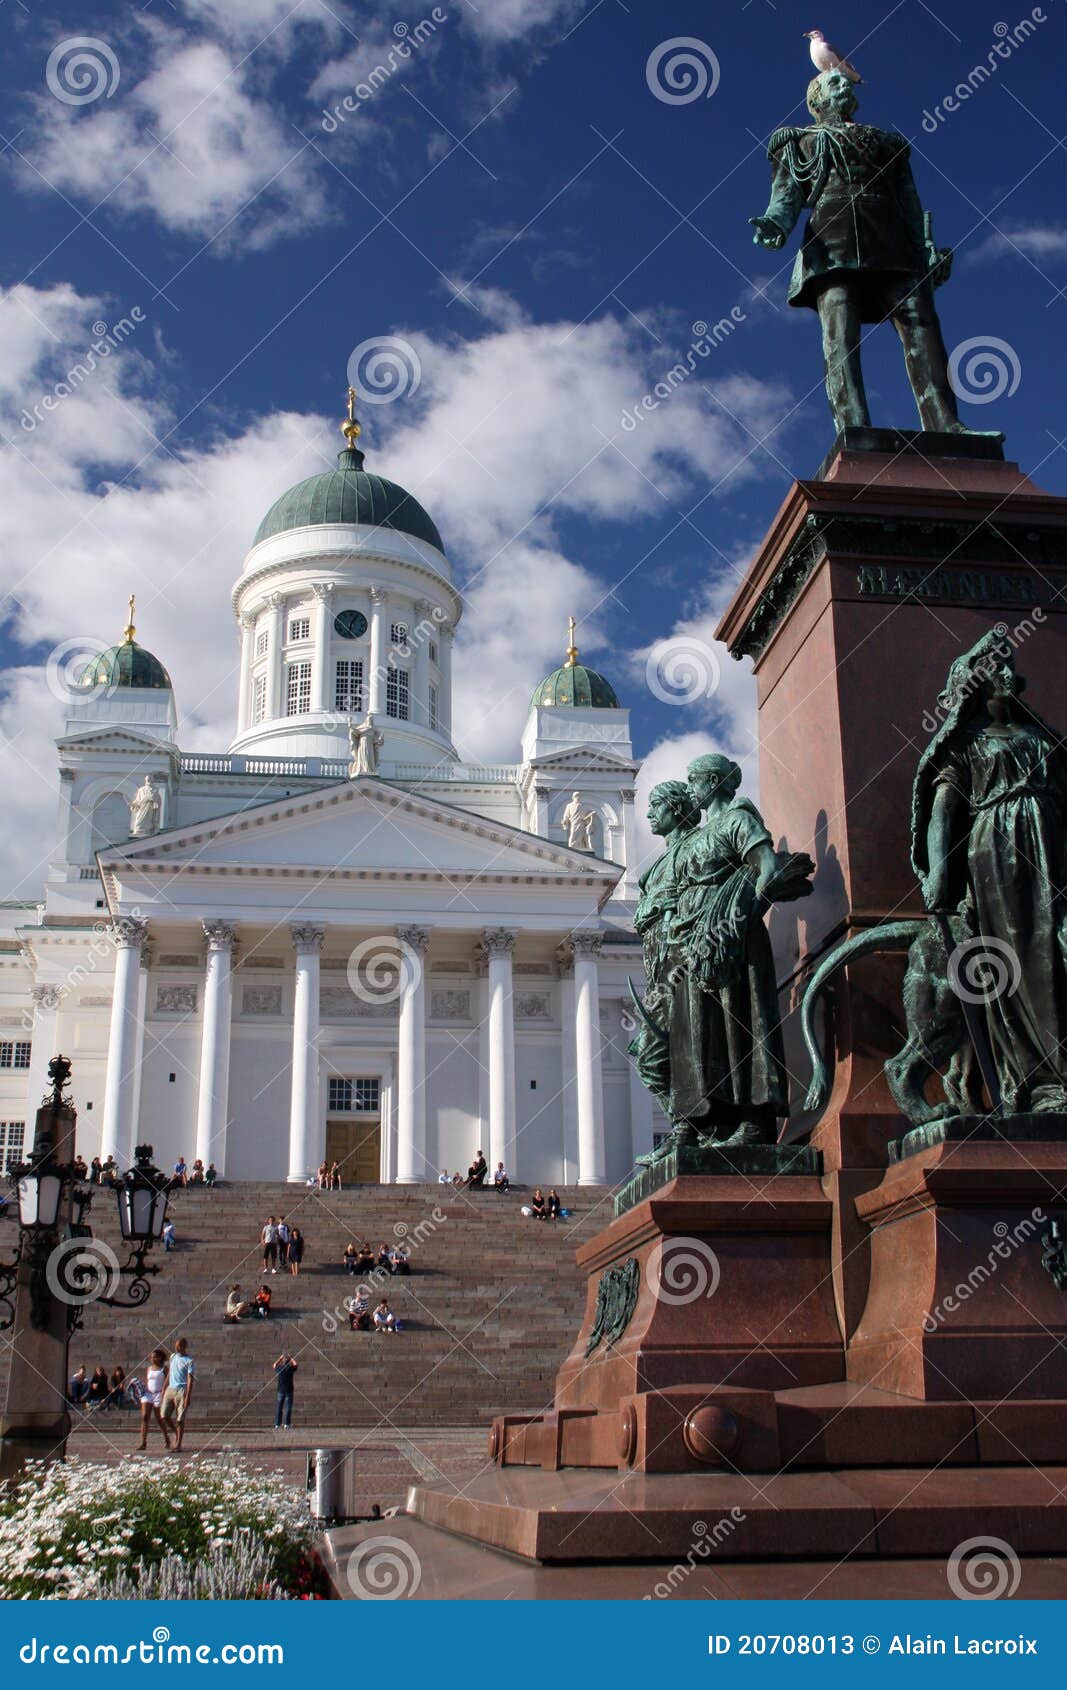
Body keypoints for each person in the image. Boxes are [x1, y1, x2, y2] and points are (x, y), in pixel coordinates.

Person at [161, 1337, 195, 1451]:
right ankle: (176, 1432)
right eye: (176, 1345)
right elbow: (169, 1373)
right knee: (164, 1415)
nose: (176, 1347)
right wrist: (163, 1388)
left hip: (182, 1390)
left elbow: (190, 1379)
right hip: (170, 1388)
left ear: (184, 1347)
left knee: (180, 1419)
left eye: (179, 1346)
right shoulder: (173, 1357)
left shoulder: (189, 1360)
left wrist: (188, 1396)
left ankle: (178, 1444)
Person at [139, 1349, 171, 1451]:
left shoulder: (164, 1369)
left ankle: (166, 1437)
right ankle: (143, 1442)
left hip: (159, 1393)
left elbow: (168, 1382)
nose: (152, 1359)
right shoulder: (149, 1369)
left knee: (160, 1419)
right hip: (148, 1393)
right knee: (145, 1417)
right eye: (152, 1357)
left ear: (160, 1358)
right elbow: (148, 1380)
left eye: (155, 1357)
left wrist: (164, 1393)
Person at [273, 1352, 298, 1430]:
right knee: (288, 1408)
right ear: (289, 1363)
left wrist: (280, 1358)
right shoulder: (290, 1369)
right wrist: (291, 1358)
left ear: (282, 1362)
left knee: (279, 1408)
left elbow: (274, 1365)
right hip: (289, 1390)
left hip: (280, 1390)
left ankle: (277, 1424)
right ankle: (287, 1424)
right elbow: (295, 1364)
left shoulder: (279, 1368)